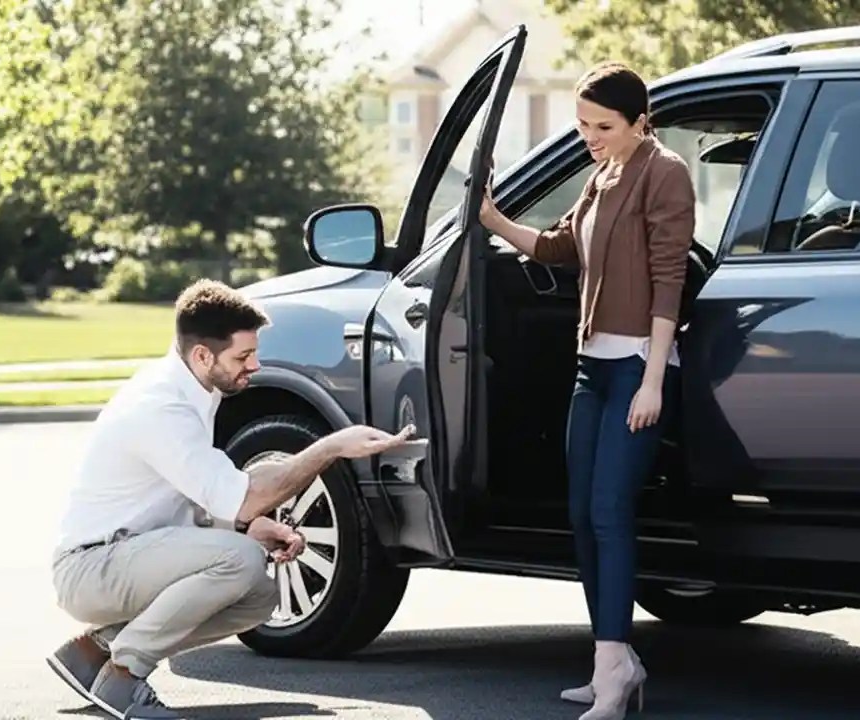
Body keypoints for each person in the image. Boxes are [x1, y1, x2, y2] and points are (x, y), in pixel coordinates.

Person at [45, 279, 414, 720]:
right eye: (243, 356)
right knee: (239, 561)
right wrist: (332, 447)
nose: (255, 366)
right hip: (91, 566)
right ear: (202, 355)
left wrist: (251, 526)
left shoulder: (196, 390)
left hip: (130, 552)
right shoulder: (162, 408)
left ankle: (94, 651)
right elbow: (248, 495)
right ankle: (125, 674)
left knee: (259, 593)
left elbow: (203, 495)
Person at [480, 61, 695, 720]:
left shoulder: (665, 173)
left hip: (635, 366)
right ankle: (616, 661)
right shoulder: (602, 177)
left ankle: (612, 667)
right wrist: (488, 216)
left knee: (610, 511)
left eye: (603, 126)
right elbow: (556, 247)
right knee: (579, 513)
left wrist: (654, 379)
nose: (590, 137)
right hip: (590, 367)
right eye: (582, 125)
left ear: (639, 121)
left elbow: (668, 280)